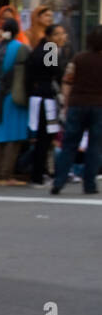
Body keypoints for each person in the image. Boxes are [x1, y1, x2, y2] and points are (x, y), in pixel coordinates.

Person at [51, 25, 102, 195]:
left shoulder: (78, 58)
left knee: (69, 144)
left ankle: (58, 181)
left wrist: (66, 103)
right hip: (98, 106)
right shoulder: (50, 49)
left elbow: (67, 81)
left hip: (77, 104)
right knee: (95, 146)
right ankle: (90, 184)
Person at [0, 17, 31, 186]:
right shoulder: (20, 48)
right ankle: (6, 175)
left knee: (0, 135)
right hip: (15, 96)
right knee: (14, 137)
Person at [26, 22, 66, 185]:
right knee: (44, 137)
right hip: (45, 98)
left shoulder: (40, 48)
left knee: (42, 137)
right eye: (57, 34)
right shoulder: (50, 49)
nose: (61, 37)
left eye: (62, 33)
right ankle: (38, 175)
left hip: (38, 96)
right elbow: (55, 73)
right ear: (49, 36)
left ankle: (40, 173)